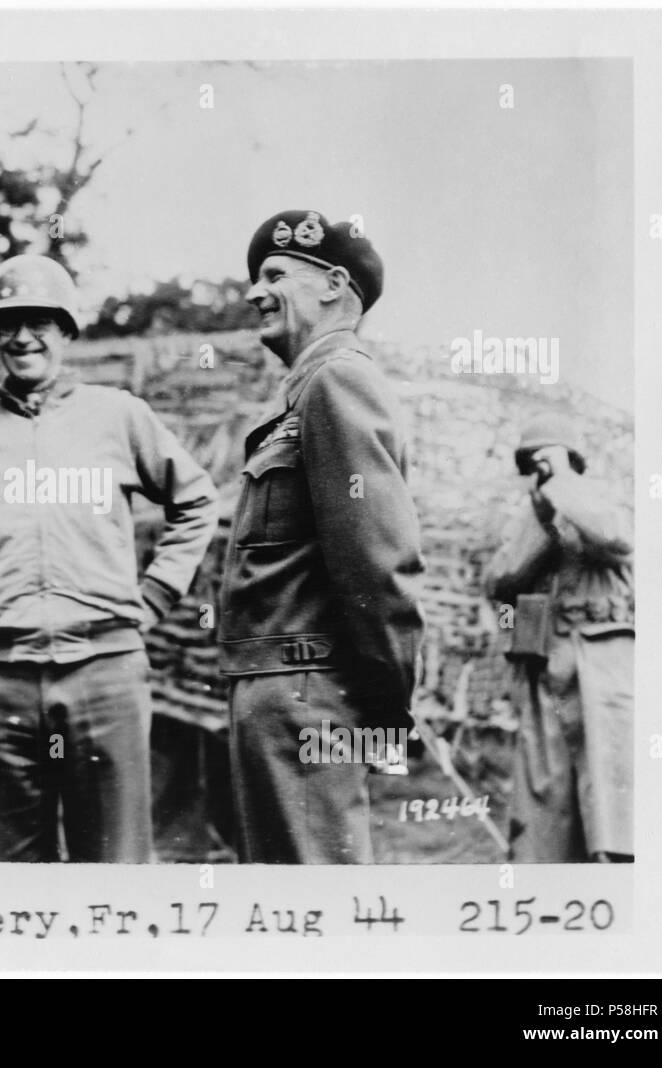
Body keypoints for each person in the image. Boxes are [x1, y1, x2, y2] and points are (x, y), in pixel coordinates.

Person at [0, 254, 219, 862]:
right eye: (8, 323)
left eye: (39, 320)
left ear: (67, 330)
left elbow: (195, 501)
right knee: (11, 873)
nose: (23, 336)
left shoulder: (119, 417)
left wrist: (155, 595)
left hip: (104, 668)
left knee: (115, 865)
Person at [218, 209, 425, 864]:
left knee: (320, 910)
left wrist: (390, 703)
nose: (254, 293)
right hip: (284, 691)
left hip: (311, 694)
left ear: (334, 284)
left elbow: (376, 561)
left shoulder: (337, 380)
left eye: (274, 274)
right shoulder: (303, 392)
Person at [484, 415, 634, 862]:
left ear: (573, 463)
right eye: (532, 464)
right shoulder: (532, 517)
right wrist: (540, 518)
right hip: (546, 666)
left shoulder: (603, 505)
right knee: (545, 803)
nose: (540, 471)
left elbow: (617, 539)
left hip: (604, 663)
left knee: (610, 794)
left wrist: (563, 482)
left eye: (547, 461)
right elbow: (500, 582)